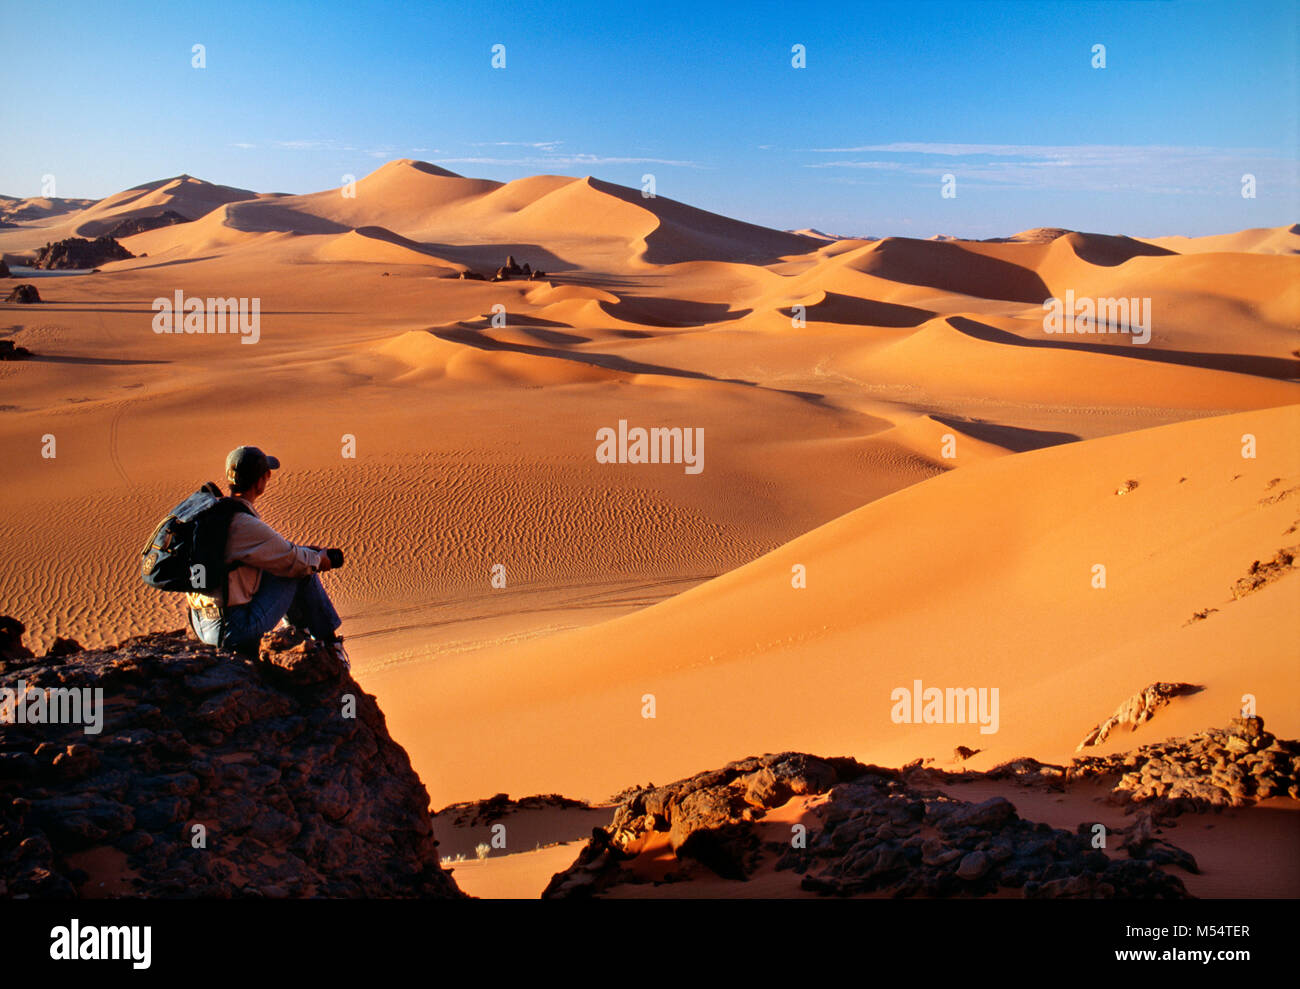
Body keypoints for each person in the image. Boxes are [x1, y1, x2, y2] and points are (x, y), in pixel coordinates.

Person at [186, 446, 348, 666]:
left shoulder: (213, 514)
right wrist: (320, 559)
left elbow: (276, 555)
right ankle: (330, 647)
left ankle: (300, 633)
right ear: (262, 480)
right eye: (267, 474)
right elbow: (293, 562)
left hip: (201, 623)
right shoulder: (242, 524)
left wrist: (307, 555)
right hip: (233, 631)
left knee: (293, 563)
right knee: (300, 570)